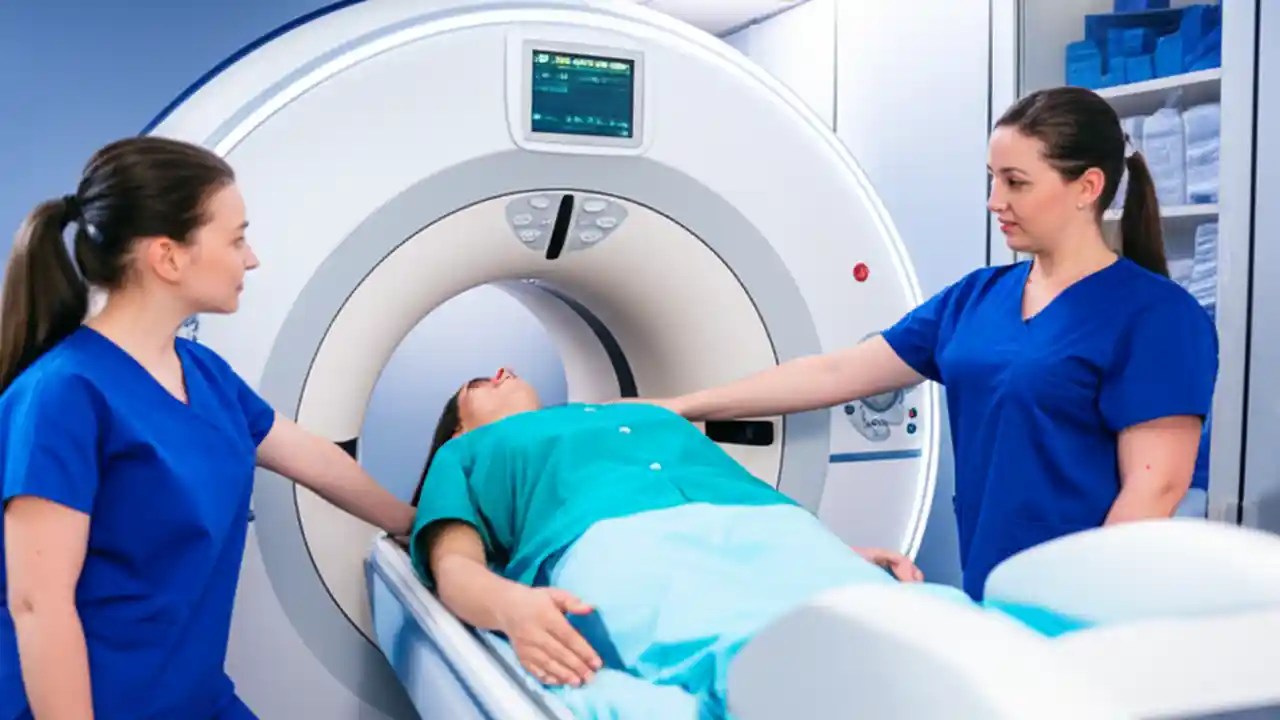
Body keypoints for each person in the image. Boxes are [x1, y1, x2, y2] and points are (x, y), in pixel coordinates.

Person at [636, 86, 1220, 601]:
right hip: (991, 580)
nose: (995, 201)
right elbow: (836, 373)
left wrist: (1078, 610)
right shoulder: (977, 297)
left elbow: (1155, 487)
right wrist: (685, 405)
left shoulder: (1156, 316)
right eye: (992, 180)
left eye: (1016, 182)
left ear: (1086, 187)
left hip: (1083, 594)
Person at [0, 137, 415, 720]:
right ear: (168, 256)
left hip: (192, 697)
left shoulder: (202, 373)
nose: (252, 258)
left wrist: (415, 525)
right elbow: (37, 604)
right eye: (237, 237)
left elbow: (316, 461)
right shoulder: (63, 394)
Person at [409, 367, 1080, 720]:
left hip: (775, 528)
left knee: (922, 623)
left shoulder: (640, 415)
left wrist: (837, 550)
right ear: (459, 430)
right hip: (621, 546)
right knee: (753, 649)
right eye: (476, 383)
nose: (500, 370)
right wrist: (514, 610)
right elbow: (455, 570)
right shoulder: (470, 459)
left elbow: (736, 497)